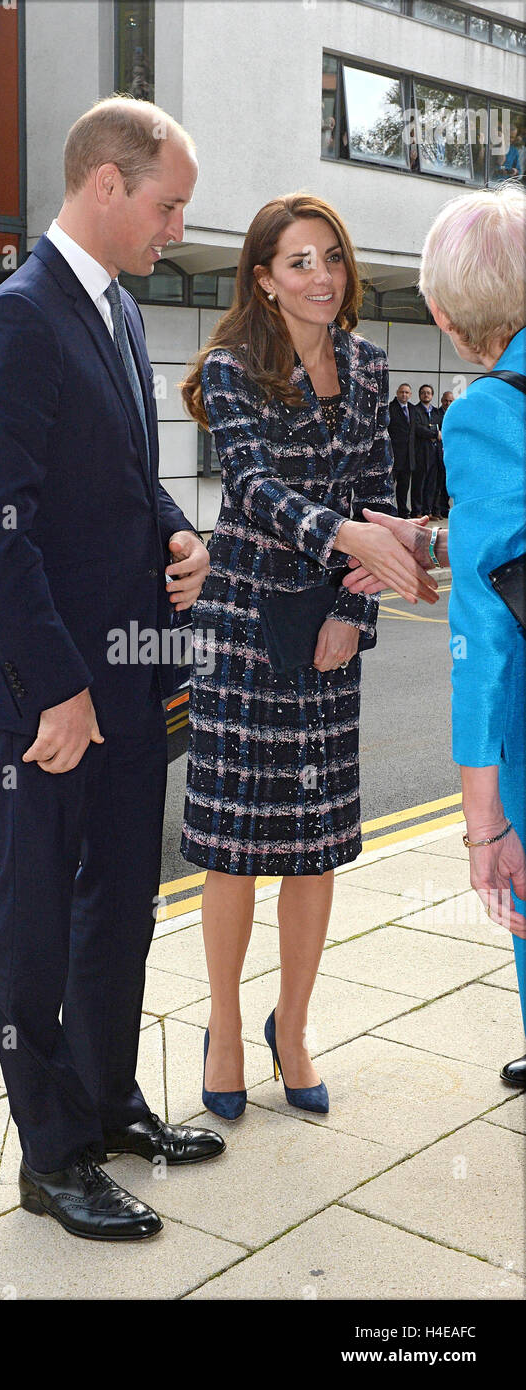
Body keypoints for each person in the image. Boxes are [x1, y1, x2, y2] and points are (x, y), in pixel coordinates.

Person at [0, 96, 224, 1244]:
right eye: (168, 207)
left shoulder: (109, 313)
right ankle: (52, 1158)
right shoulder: (19, 317)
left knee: (124, 906)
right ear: (106, 185)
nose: (173, 230)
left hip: (125, 681)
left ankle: (109, 1106)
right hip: (53, 699)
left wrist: (181, 536)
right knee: (35, 931)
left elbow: (118, 474)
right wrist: (57, 686)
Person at [178, 193, 437, 1121]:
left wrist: (353, 612)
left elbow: (375, 494)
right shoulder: (230, 368)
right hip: (243, 626)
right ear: (262, 278)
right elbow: (248, 488)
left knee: (315, 845)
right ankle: (219, 1023)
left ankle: (292, 1027)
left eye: (330, 257)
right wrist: (352, 543)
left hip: (328, 630)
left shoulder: (369, 368)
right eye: (297, 261)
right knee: (236, 845)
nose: (320, 275)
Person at [343, 183, 526, 1089]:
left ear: (450, 319)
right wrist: (441, 539)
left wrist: (482, 823)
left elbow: (485, 633)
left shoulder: (487, 410)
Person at [411, 382, 441, 517]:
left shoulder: (436, 412)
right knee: (419, 483)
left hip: (434, 453)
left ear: (432, 395)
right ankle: (417, 511)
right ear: (419, 395)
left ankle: (427, 512)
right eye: (423, 393)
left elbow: (440, 429)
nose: (426, 395)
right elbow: (418, 429)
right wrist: (434, 434)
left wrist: (435, 433)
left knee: (431, 484)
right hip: (421, 452)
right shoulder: (415, 410)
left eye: (428, 393)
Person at [388, 381, 415, 517]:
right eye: (401, 392)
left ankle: (403, 511)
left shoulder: (413, 409)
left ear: (410, 395)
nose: (404, 394)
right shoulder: (390, 408)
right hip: (393, 455)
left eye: (406, 392)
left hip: (408, 457)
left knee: (404, 487)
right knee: (389, 486)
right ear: (397, 393)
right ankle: (390, 511)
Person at [433, 389, 454, 518]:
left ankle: (445, 509)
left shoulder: (456, 414)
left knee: (447, 483)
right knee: (438, 483)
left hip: (451, 453)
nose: (447, 403)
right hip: (437, 452)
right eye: (445, 400)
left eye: (450, 401)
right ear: (441, 401)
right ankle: (437, 509)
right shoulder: (436, 414)